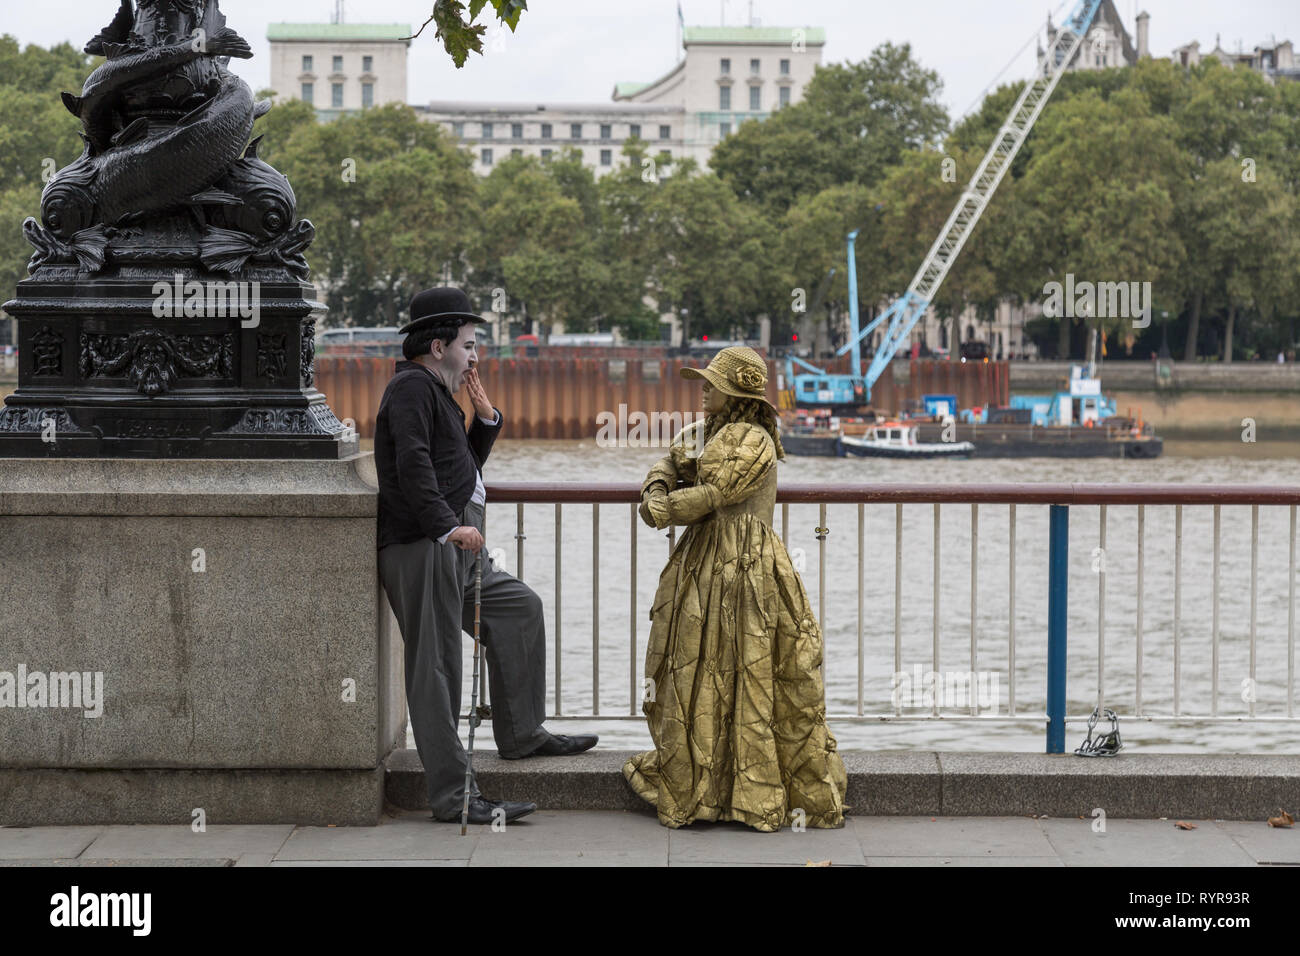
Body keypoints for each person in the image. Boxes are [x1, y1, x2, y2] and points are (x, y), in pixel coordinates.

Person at [374, 287, 598, 825]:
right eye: (469, 345)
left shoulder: (439, 394)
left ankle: (521, 733)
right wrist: (446, 528)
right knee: (437, 669)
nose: (476, 356)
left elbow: (460, 468)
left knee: (520, 608)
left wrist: (487, 420)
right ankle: (454, 797)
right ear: (437, 346)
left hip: (457, 546)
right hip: (426, 546)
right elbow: (413, 465)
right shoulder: (410, 390)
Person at [623, 346, 848, 832]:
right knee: (700, 674)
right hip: (705, 562)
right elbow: (665, 464)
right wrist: (658, 488)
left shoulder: (755, 442)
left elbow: (712, 495)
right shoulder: (705, 434)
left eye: (711, 385)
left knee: (749, 675)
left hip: (748, 565)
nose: (702, 391)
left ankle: (747, 794)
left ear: (734, 392)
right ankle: (711, 792)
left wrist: (662, 507)